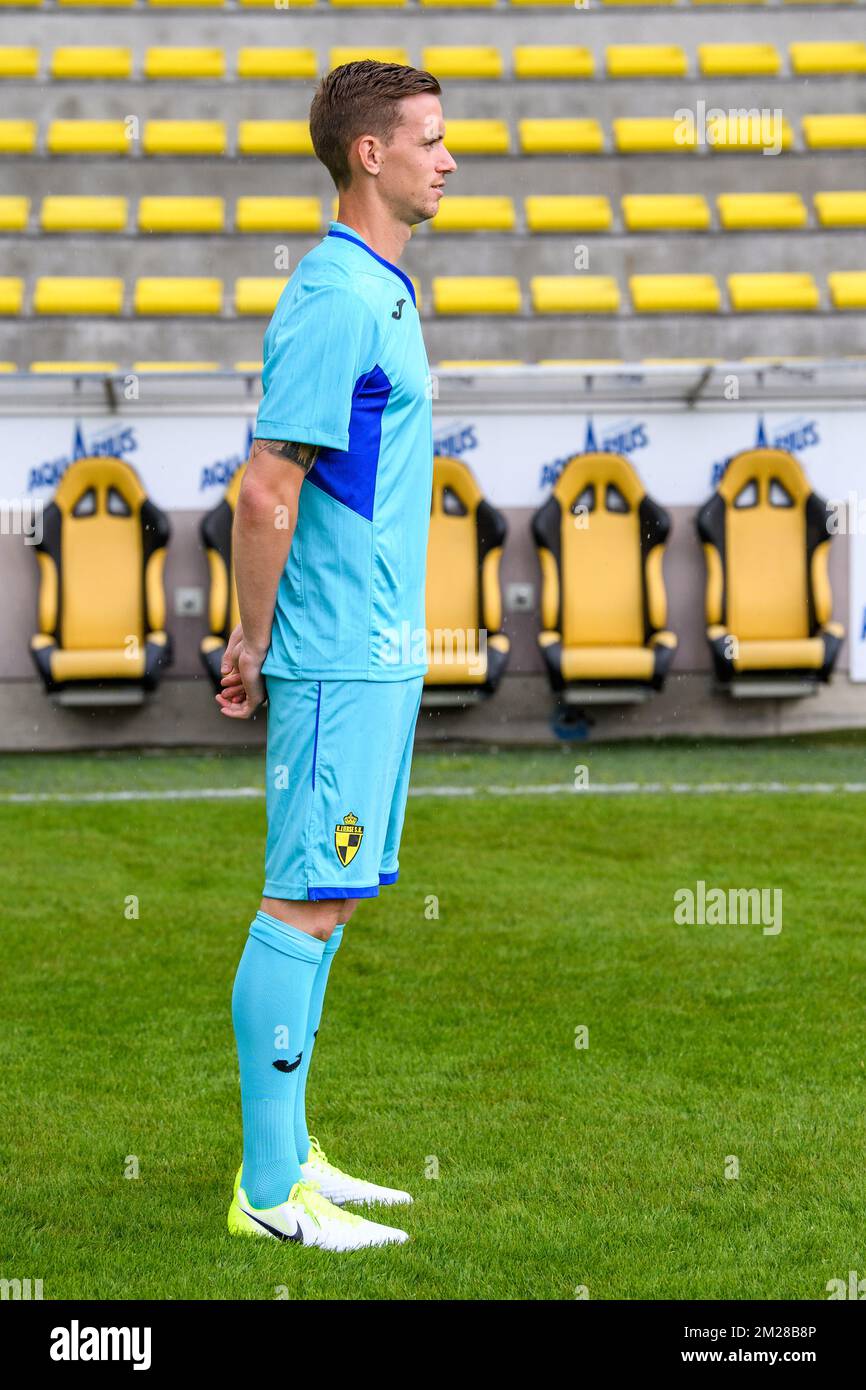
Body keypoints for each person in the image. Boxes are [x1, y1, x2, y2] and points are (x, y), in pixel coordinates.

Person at [215, 60, 456, 1251]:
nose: (446, 158)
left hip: (376, 652)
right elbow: (265, 488)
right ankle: (266, 1196)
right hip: (330, 652)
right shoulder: (335, 294)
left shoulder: (383, 288)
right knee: (300, 901)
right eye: (428, 138)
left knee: (333, 897)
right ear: (370, 154)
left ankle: (292, 1151)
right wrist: (253, 638)